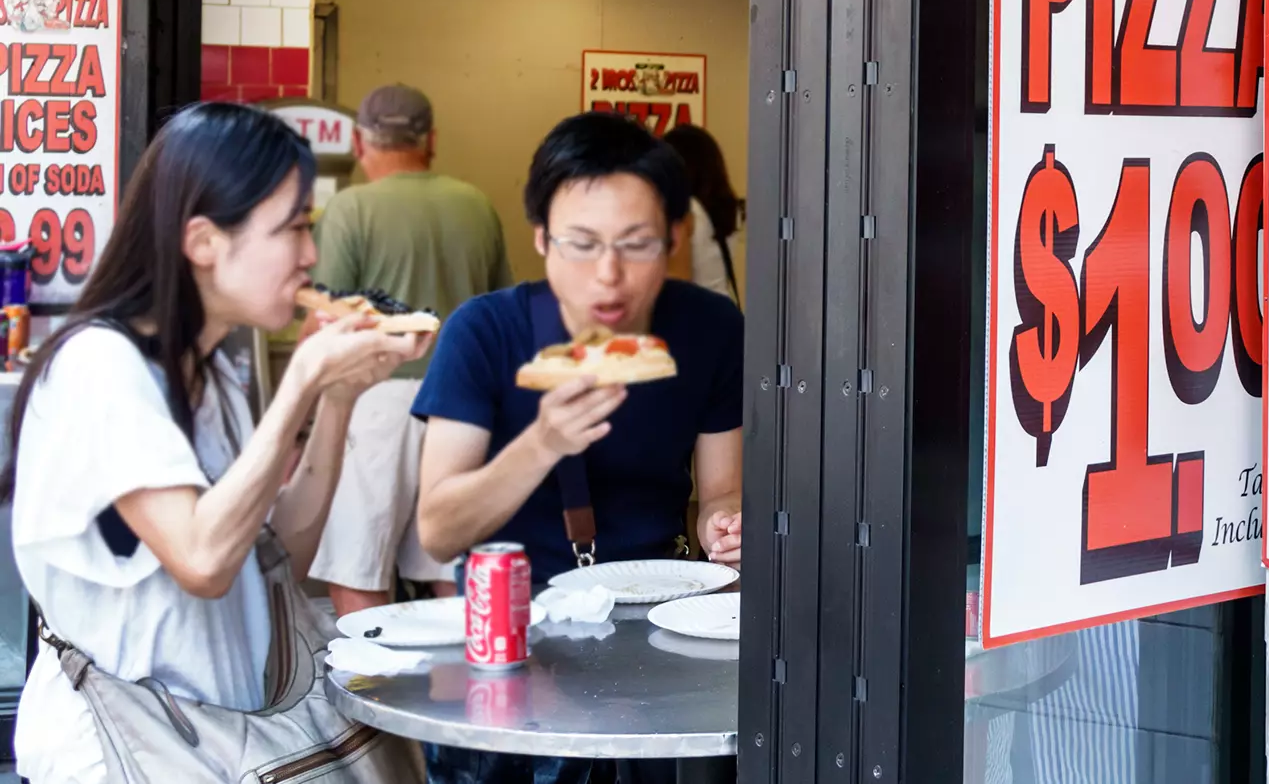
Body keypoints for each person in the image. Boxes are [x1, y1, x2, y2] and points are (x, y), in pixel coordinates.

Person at [3, 103, 429, 784]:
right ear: (203, 241)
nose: (311, 255)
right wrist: (300, 386)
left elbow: (276, 550)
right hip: (124, 753)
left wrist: (337, 399)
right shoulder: (102, 367)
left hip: (222, 743)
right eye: (292, 228)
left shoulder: (212, 374)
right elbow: (201, 557)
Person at [413, 112, 743, 782]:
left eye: (637, 244)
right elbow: (439, 529)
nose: (610, 276)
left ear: (677, 235)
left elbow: (720, 491)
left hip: (659, 631)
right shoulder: (484, 333)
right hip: (515, 639)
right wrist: (542, 442)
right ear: (540, 238)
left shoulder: (710, 329)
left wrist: (725, 526)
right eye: (582, 245)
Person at [308, 82, 511, 618]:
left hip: (376, 403)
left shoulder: (351, 209)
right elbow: (499, 314)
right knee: (449, 572)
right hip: (465, 409)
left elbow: (324, 321)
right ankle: (465, 696)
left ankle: (364, 699)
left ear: (359, 143)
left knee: (358, 569)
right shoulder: (476, 206)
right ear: (432, 140)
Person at [662, 123, 740, 304]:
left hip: (695, 312)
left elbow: (678, 280)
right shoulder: (727, 208)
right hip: (724, 309)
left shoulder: (686, 209)